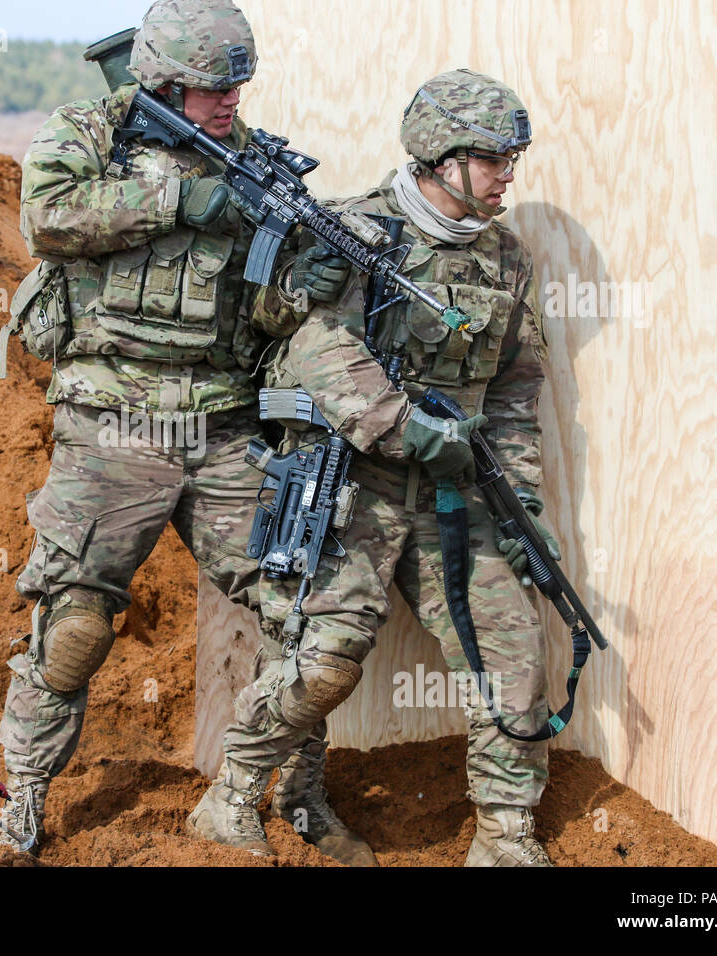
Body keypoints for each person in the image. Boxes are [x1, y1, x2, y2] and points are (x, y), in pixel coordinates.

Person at [0, 0, 373, 865]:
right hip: (110, 421)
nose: (229, 100)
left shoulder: (257, 166)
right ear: (161, 79)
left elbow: (264, 317)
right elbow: (47, 216)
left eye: (238, 82)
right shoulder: (91, 135)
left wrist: (302, 282)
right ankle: (21, 801)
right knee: (77, 622)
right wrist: (180, 196)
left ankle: (279, 795)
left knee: (302, 613)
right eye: (210, 86)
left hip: (223, 424)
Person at [191, 69, 558, 865]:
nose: (508, 176)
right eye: (494, 159)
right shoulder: (355, 232)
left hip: (455, 491)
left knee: (513, 650)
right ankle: (233, 799)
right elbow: (322, 350)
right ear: (441, 157)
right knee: (320, 664)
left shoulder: (506, 259)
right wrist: (403, 428)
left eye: (511, 160)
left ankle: (505, 834)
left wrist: (516, 494)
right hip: (348, 483)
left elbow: (516, 385)